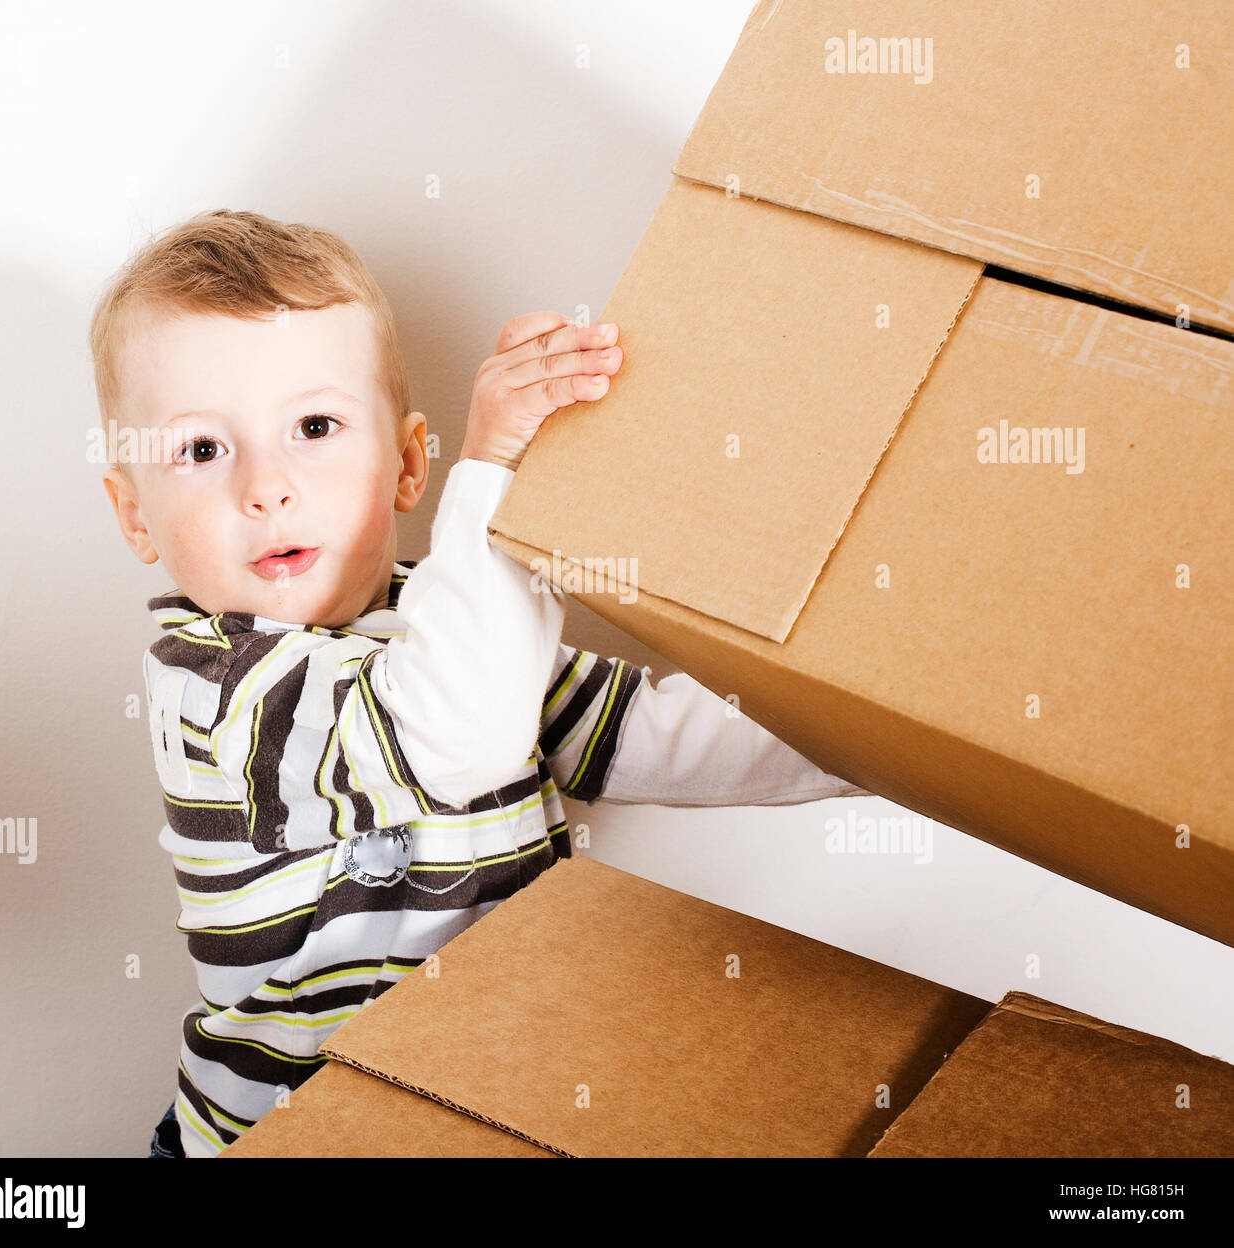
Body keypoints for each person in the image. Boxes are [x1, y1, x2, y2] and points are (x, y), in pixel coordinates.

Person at [91, 209, 864, 1157]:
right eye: (203, 451)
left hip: (477, 1098)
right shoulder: (212, 686)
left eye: (315, 426)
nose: (268, 486)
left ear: (410, 463)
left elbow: (658, 736)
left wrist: (893, 739)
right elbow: (461, 733)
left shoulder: (445, 627)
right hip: (294, 1139)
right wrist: (495, 471)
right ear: (135, 517)